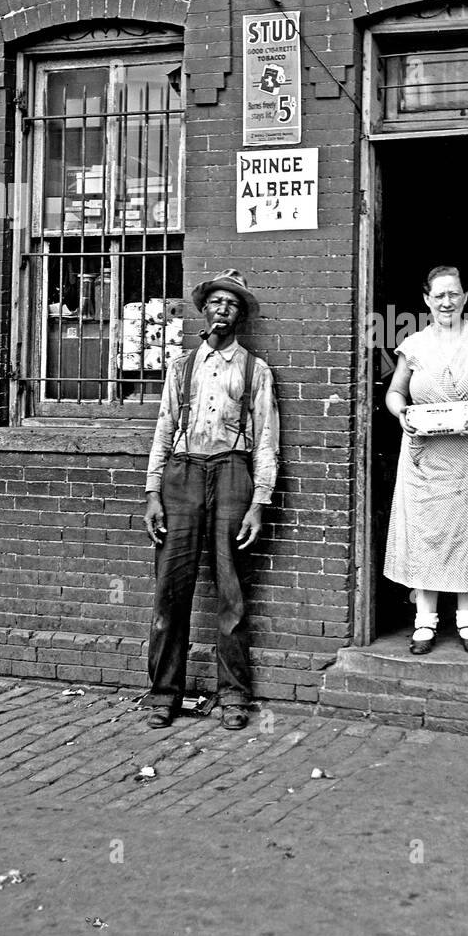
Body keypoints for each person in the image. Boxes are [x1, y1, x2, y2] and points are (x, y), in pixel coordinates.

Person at [143, 269, 280, 730]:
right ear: (204, 310)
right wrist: (152, 493)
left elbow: (266, 442)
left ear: (240, 316)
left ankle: (234, 696)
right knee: (170, 592)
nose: (223, 310)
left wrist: (259, 501)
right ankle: (164, 694)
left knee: (231, 593)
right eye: (217, 302)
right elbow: (163, 430)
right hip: (181, 474)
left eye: (233, 304)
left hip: (231, 473)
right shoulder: (181, 367)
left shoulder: (255, 370)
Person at [384, 265, 468, 655]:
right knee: (426, 535)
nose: (447, 301)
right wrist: (402, 414)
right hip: (424, 456)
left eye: (454, 294)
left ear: (465, 297)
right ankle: (424, 623)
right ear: (426, 300)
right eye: (439, 295)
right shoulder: (413, 345)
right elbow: (395, 392)